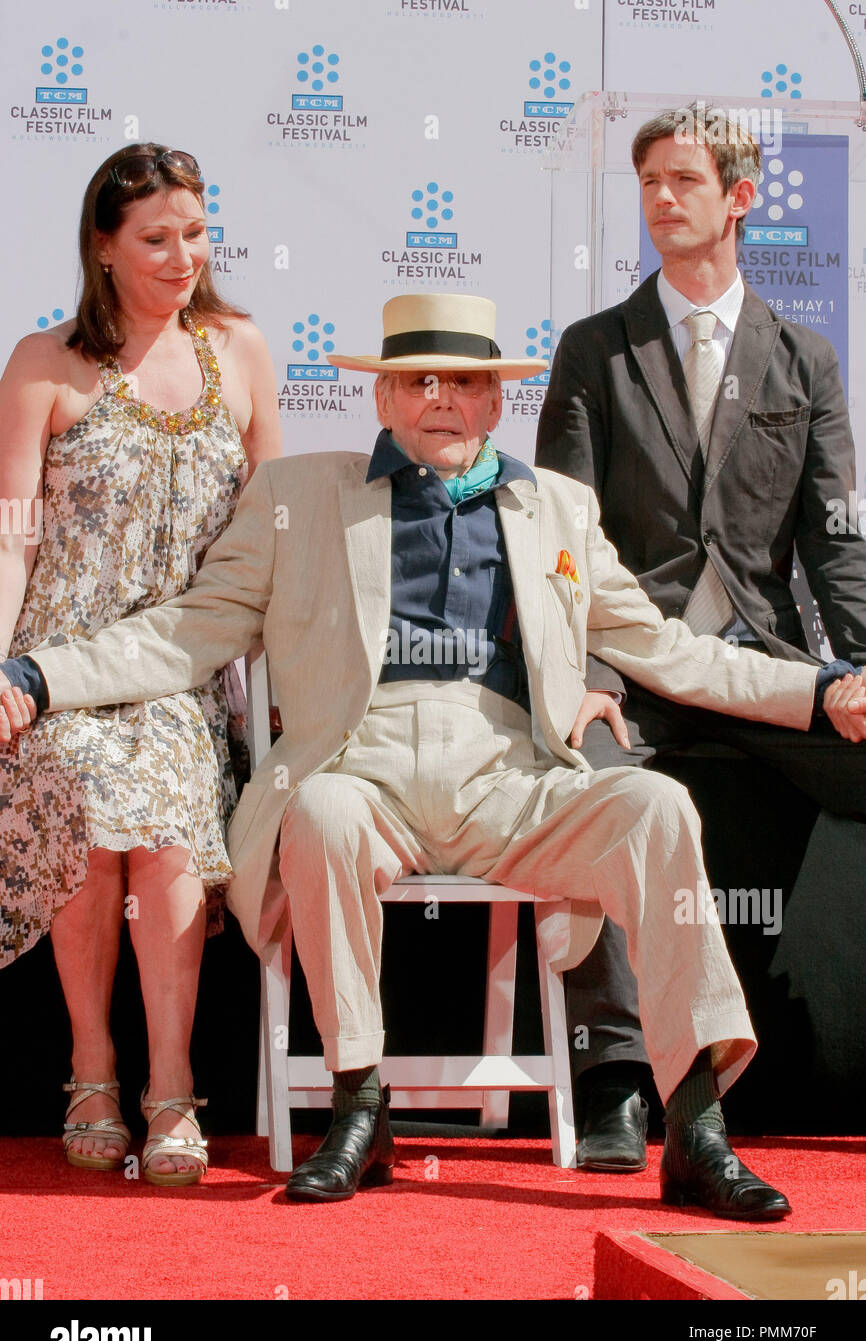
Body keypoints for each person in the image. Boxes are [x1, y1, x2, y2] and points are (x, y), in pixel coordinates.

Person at [1, 293, 864, 1219]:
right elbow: (184, 630)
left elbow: (670, 649)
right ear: (383, 401)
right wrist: (38, 676)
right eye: (418, 382)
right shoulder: (299, 497)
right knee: (321, 812)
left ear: (496, 404)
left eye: (464, 383)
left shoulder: (559, 510)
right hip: (358, 762)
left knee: (658, 808)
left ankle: (695, 1131)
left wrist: (818, 689)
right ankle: (361, 1109)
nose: (441, 399)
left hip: (510, 774)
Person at [535, 104, 866, 1174]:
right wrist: (581, 675)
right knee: (582, 782)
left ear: (739, 196)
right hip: (631, 674)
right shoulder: (592, 350)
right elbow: (561, 536)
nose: (660, 199)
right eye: (647, 182)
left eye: (682, 179)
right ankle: (619, 1082)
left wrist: (856, 671)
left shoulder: (804, 359)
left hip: (762, 670)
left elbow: (832, 541)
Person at [0, 143, 281, 1185]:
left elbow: (272, 530)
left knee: (162, 800)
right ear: (103, 249)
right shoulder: (44, 362)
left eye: (196, 234)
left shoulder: (241, 351)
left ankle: (171, 1083)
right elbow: (12, 536)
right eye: (155, 239)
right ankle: (90, 1064)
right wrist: (1, 668)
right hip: (60, 661)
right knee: (76, 775)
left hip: (179, 665)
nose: (182, 257)